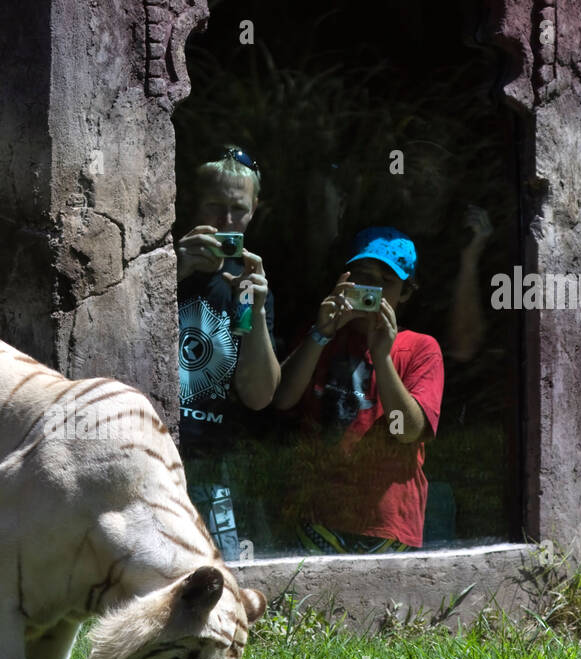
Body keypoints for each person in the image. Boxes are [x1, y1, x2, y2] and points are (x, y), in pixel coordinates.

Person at [272, 227, 443, 552]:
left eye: (386, 282)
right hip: (318, 513)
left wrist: (382, 356)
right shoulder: (322, 337)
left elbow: (409, 431)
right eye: (363, 277)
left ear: (406, 293)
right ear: (345, 279)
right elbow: (283, 399)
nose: (372, 290)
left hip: (387, 522)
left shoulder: (420, 348)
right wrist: (321, 333)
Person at [175, 146, 281, 560]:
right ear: (190, 204)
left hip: (212, 463)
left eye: (238, 209)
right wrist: (171, 271)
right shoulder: (154, 266)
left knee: (221, 575)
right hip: (149, 449)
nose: (225, 222)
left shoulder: (248, 287)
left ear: (255, 211)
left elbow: (259, 396)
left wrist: (254, 309)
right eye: (214, 207)